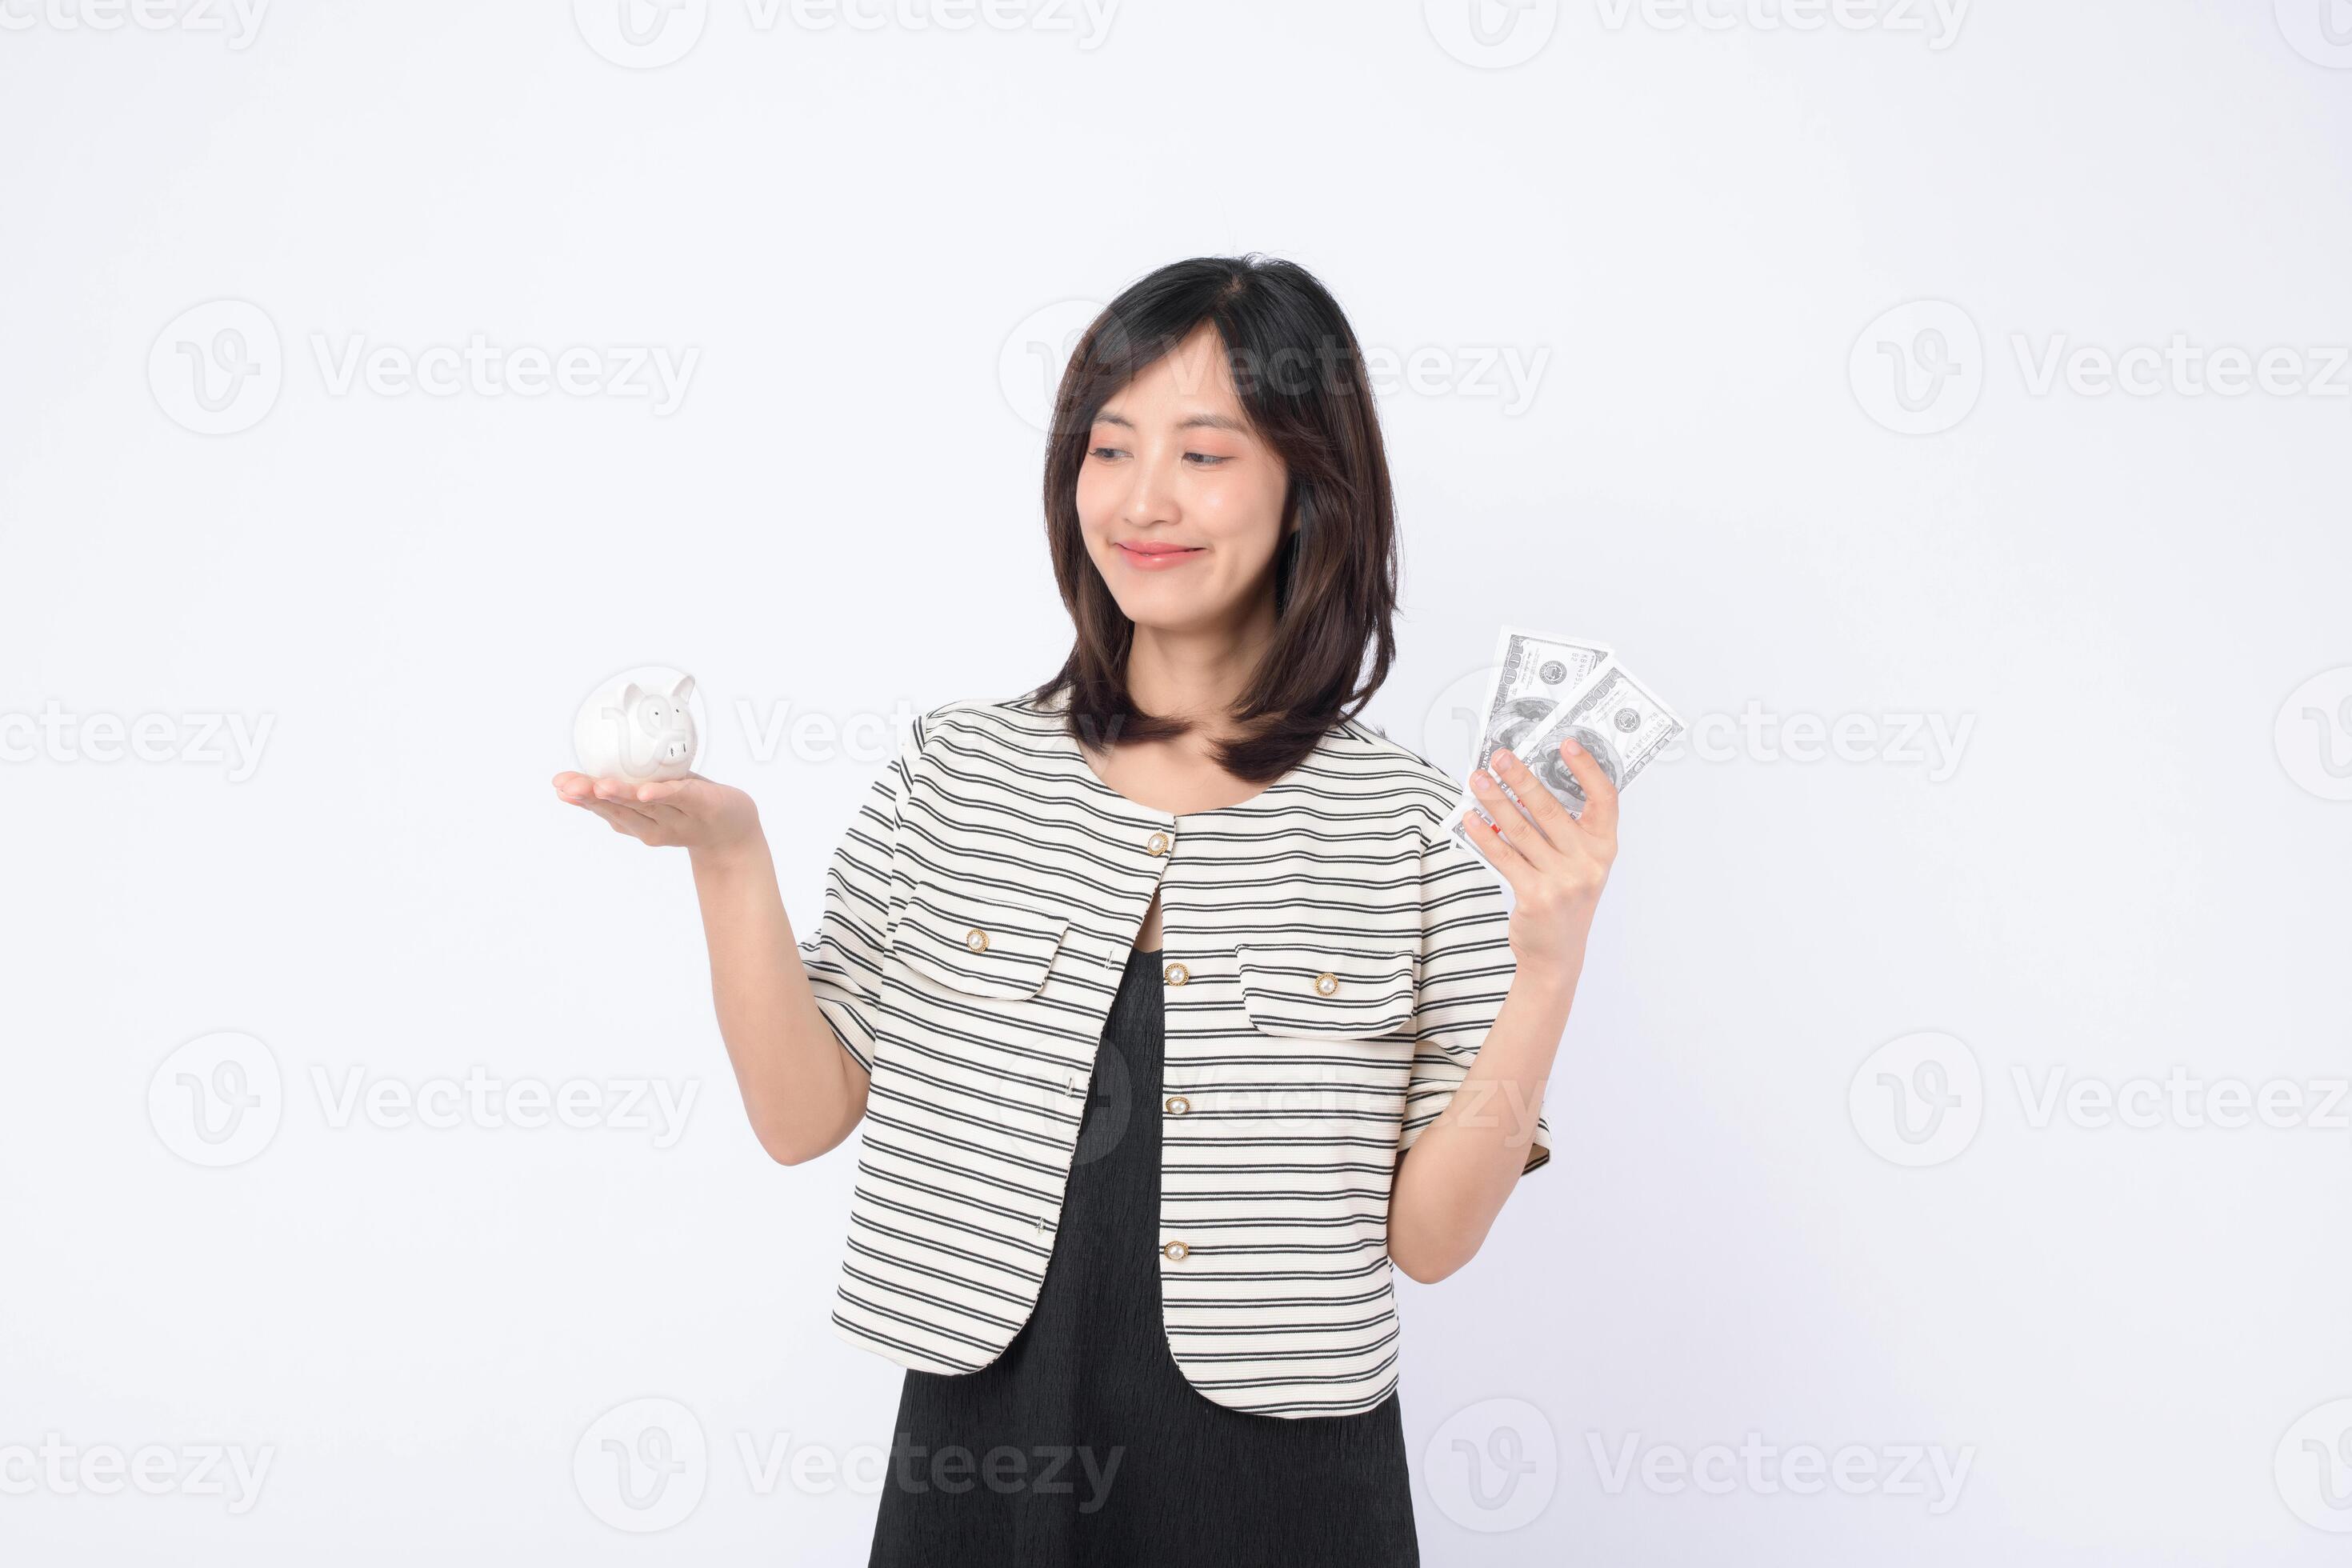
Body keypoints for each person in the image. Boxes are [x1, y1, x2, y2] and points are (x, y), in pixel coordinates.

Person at [552, 254, 1623, 1566]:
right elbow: (801, 1116)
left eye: (1205, 453)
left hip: (1285, 1483)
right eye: (1109, 447)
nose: (1144, 499)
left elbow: (1433, 1238)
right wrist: (726, 854)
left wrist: (1550, 968)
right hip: (987, 1453)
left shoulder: (1407, 826)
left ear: (1308, 488)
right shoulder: (955, 770)